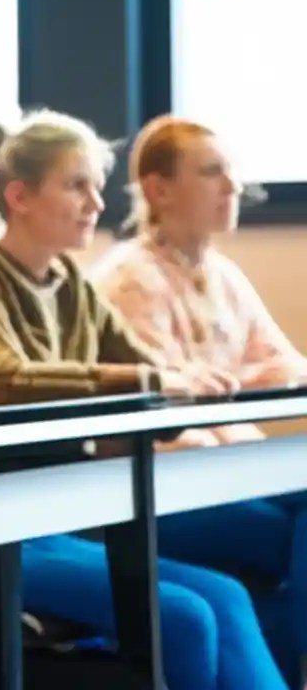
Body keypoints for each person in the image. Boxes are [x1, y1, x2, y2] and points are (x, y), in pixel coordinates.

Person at [0, 109, 287, 690]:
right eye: (76, 186)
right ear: (19, 196)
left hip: (48, 515)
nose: (96, 204)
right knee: (186, 616)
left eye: (96, 187)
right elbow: (4, 380)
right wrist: (154, 383)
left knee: (221, 598)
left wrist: (185, 382)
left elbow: (151, 371)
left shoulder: (68, 283)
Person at [95, 115, 307, 682]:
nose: (232, 186)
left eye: (231, 172)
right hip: (164, 486)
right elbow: (170, 407)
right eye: (213, 172)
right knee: (294, 534)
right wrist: (238, 380)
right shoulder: (129, 278)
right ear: (158, 189)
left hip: (229, 469)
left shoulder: (224, 273)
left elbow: (290, 366)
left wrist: (230, 381)